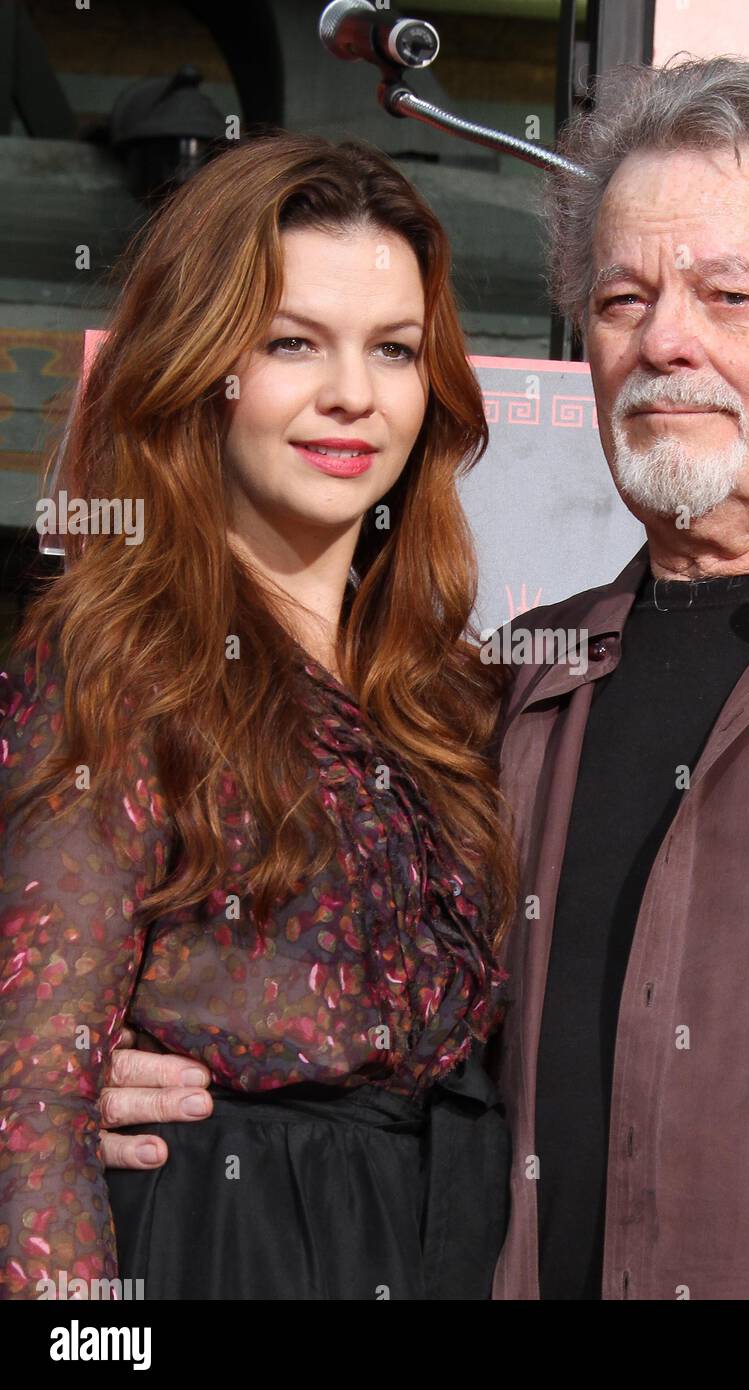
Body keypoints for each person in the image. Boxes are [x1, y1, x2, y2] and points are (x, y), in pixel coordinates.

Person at [99, 55, 749, 1302]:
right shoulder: (497, 699)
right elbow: (331, 1014)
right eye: (622, 301)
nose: (667, 340)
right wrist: (102, 1056)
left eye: (729, 295)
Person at [0, 131, 516, 1301]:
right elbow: (27, 1108)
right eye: (294, 343)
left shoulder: (451, 698)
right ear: (201, 367)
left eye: (392, 349)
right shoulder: (118, 671)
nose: (351, 392)